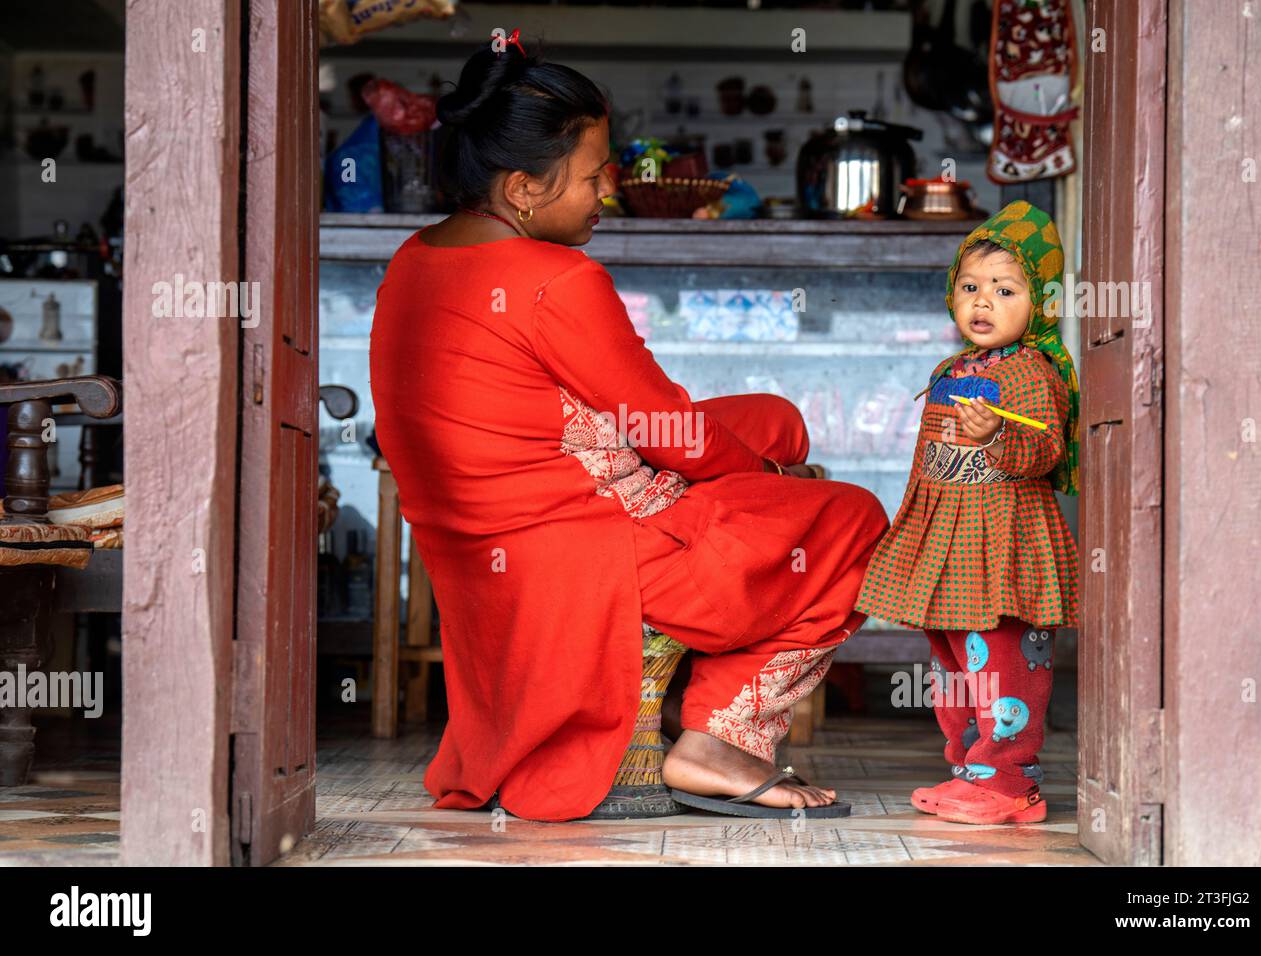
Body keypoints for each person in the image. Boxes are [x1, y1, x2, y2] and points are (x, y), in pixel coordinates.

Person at [369, 35, 890, 822]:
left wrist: (757, 460)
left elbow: (654, 422)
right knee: (853, 519)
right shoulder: (556, 281)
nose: (609, 187)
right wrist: (773, 482)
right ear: (522, 188)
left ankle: (757, 508)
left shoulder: (413, 259)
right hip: (588, 552)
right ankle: (721, 738)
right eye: (591, 174)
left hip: (486, 541)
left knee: (776, 422)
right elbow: (671, 435)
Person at [854, 200, 1081, 825]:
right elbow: (927, 460)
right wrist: (915, 530)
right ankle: (968, 768)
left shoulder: (1034, 369)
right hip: (948, 540)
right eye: (970, 286)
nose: (983, 301)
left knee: (1002, 659)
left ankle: (1008, 782)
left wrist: (995, 439)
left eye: (1005, 290)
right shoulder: (949, 370)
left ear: (1040, 303)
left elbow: (1043, 450)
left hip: (1004, 545)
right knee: (955, 663)